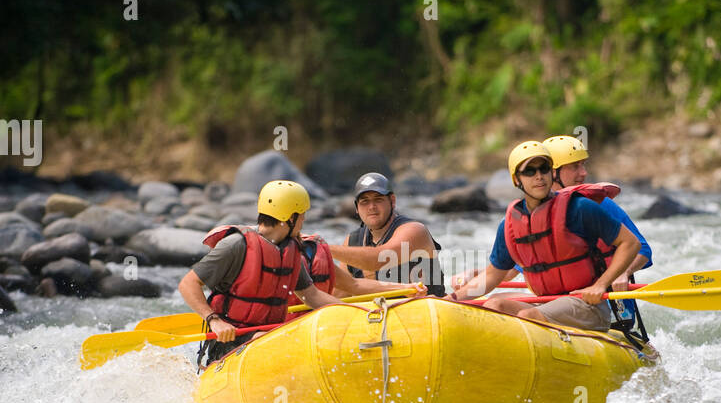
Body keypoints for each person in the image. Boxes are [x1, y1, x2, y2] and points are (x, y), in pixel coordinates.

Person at [178, 180, 402, 368]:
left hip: (271, 334)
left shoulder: (291, 250)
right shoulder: (236, 245)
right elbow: (188, 284)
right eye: (301, 215)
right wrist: (214, 321)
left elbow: (312, 296)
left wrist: (355, 312)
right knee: (270, 341)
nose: (303, 221)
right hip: (230, 340)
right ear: (288, 218)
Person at [449, 142, 641, 331]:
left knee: (528, 317)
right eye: (530, 172)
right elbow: (492, 276)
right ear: (517, 180)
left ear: (551, 173)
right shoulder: (509, 225)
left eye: (544, 169)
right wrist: (450, 301)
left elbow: (631, 243)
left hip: (587, 305)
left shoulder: (580, 208)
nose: (539, 177)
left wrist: (601, 285)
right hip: (545, 303)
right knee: (494, 306)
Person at [543, 134, 652, 330]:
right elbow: (518, 266)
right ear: (552, 172)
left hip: (609, 313)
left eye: (583, 165)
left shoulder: (597, 204)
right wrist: (479, 276)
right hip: (562, 306)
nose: (584, 173)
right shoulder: (539, 216)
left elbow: (643, 249)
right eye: (575, 166)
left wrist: (622, 273)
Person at [328, 172, 446, 297]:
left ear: (392, 201)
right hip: (380, 313)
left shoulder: (414, 230)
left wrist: (323, 248)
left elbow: (377, 259)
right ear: (356, 207)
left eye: (378, 200)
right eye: (365, 201)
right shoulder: (352, 242)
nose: (371, 207)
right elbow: (340, 294)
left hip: (428, 310)